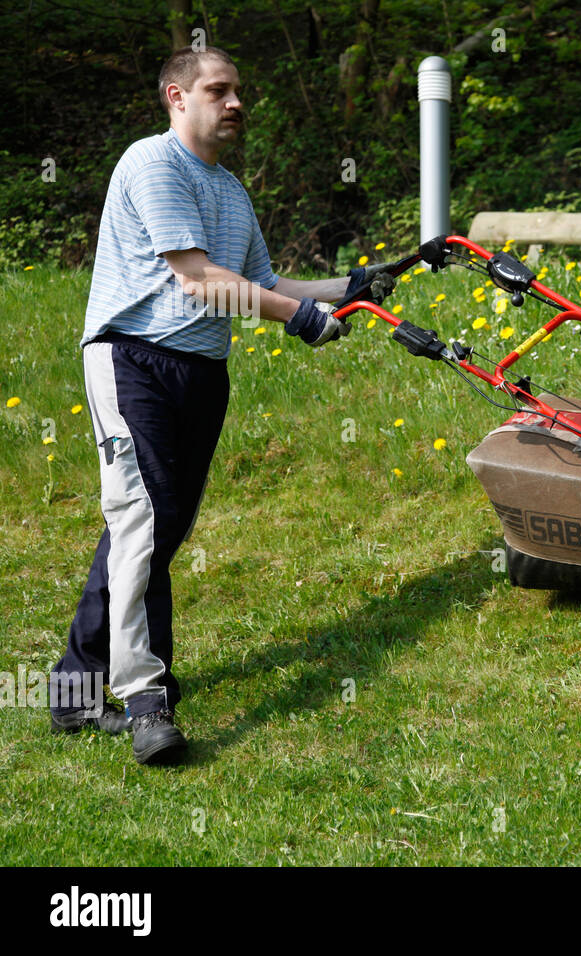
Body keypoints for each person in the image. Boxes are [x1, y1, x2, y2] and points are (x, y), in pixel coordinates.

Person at [49, 46, 391, 765]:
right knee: (141, 521)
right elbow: (201, 281)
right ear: (177, 95)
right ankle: (146, 701)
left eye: (239, 91)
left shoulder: (231, 191)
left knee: (152, 529)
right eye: (219, 90)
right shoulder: (152, 164)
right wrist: (297, 321)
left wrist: (346, 287)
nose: (236, 103)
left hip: (202, 372)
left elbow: (264, 279)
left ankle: (74, 691)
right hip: (132, 358)